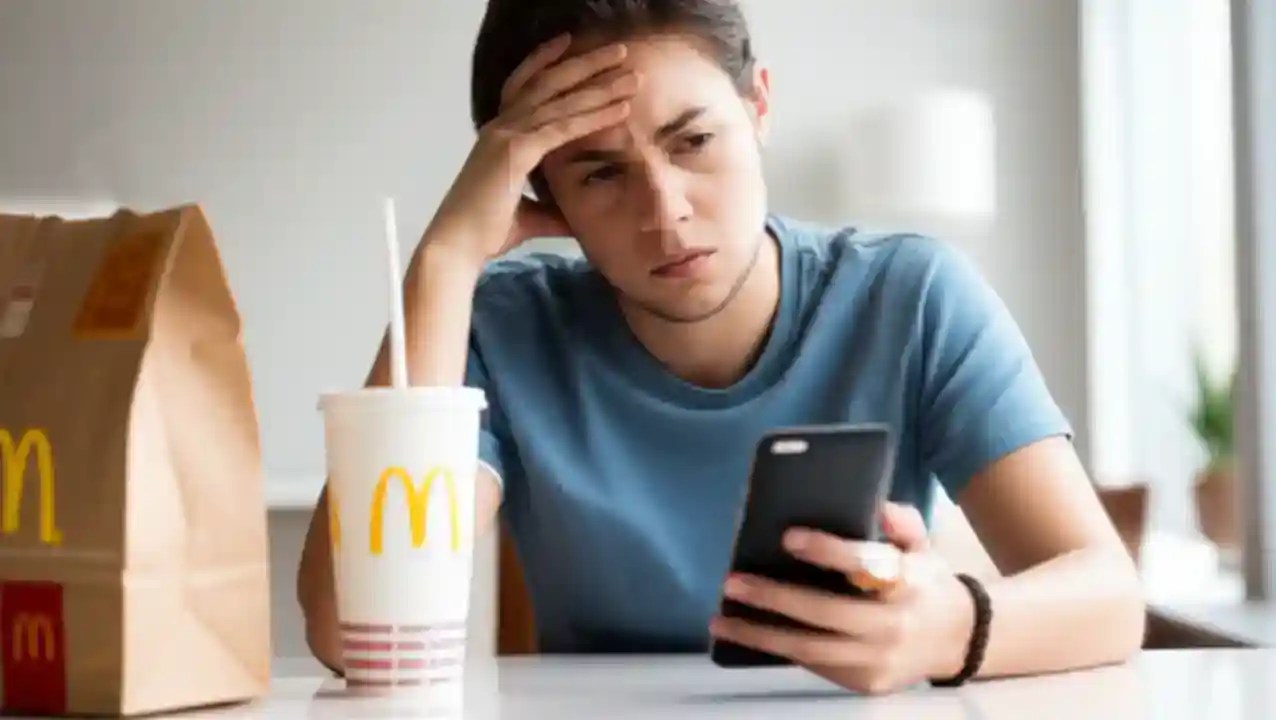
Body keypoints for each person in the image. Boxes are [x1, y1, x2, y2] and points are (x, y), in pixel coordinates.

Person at [297, 0, 1145, 695]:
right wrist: (443, 262)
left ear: (758, 107)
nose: (664, 210)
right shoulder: (502, 328)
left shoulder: (912, 296)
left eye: (693, 141)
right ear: (539, 193)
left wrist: (948, 627)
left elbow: (1108, 596)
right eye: (597, 173)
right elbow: (352, 629)